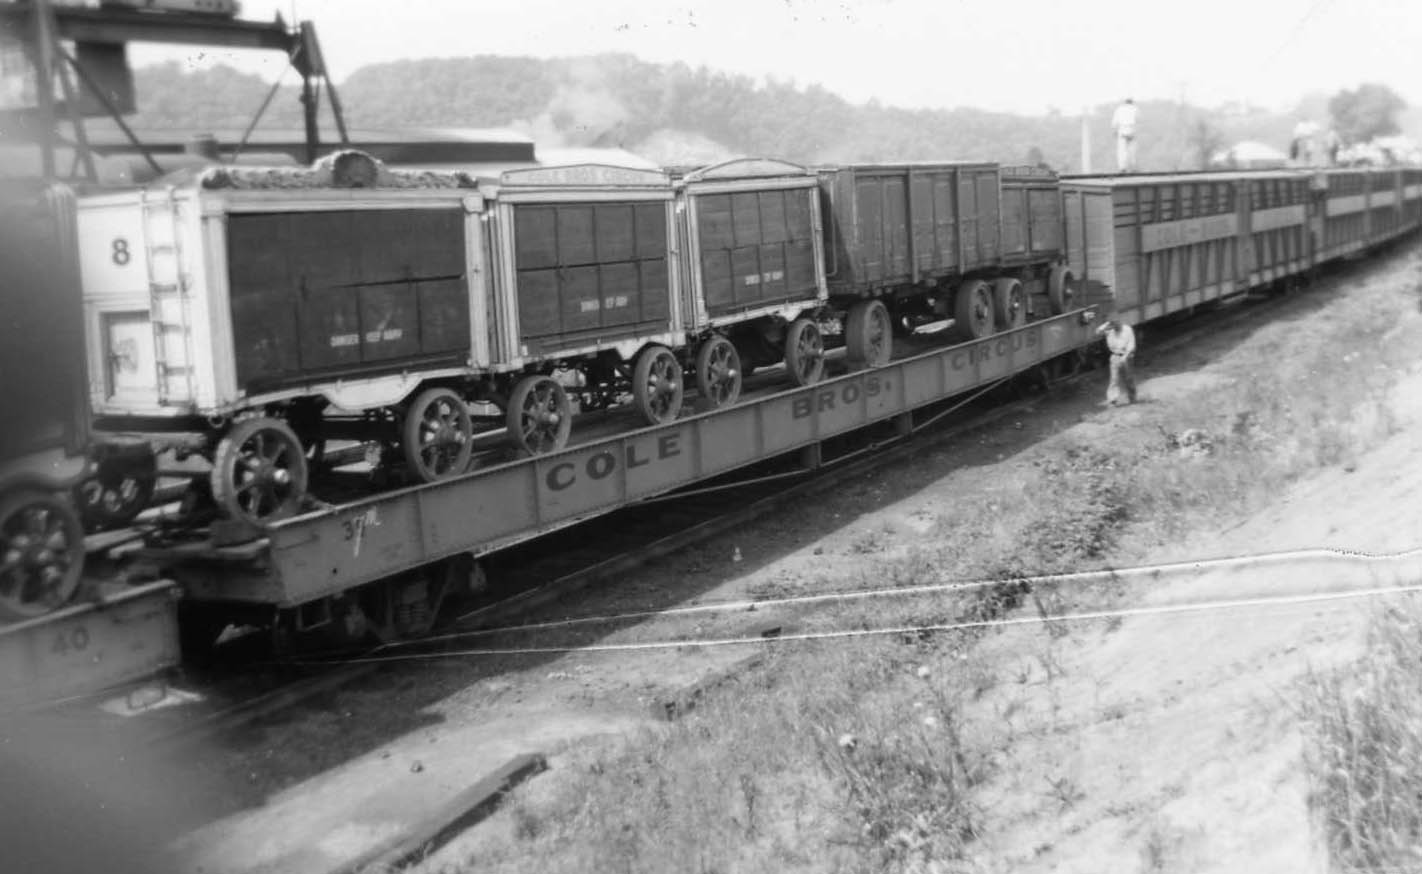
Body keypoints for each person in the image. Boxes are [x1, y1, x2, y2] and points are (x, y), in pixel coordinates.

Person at [1096, 318, 1137, 405]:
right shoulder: (1109, 330)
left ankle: (1132, 397)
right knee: (1114, 379)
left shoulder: (1127, 330)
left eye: (1116, 325)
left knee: (1128, 379)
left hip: (1127, 356)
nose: (1115, 328)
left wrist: (1125, 357)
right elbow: (1097, 332)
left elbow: (1131, 345)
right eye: (1112, 325)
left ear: (1119, 322)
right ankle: (1112, 399)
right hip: (1114, 356)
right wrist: (1106, 325)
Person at [1111, 98, 1139, 173]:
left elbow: (1114, 122)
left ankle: (1122, 168)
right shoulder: (1135, 108)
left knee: (1122, 151)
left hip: (1122, 130)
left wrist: (1115, 131)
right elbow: (1138, 120)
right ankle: (1133, 167)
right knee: (1132, 151)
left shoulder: (1119, 109)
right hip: (1132, 130)